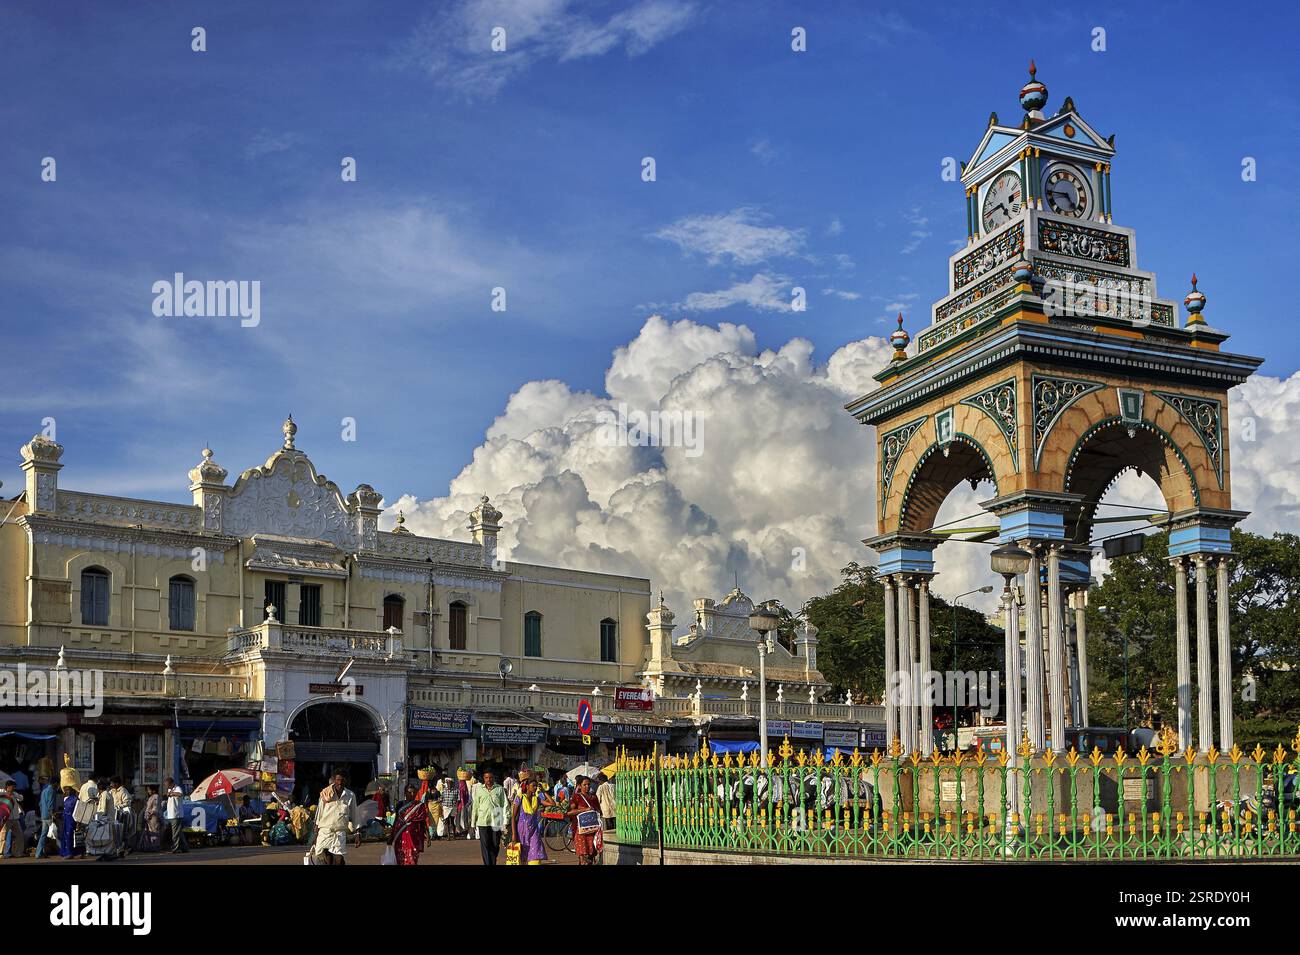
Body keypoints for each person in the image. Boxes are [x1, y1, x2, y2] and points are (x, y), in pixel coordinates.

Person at [311, 772, 359, 865]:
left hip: (340, 833)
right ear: (334, 781)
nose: (340, 782)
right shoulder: (326, 793)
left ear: (346, 781)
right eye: (338, 780)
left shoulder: (350, 795)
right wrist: (315, 834)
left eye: (342, 780)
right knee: (327, 860)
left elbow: (354, 815)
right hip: (325, 832)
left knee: (339, 860)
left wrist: (357, 833)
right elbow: (319, 814)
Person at [509, 771, 552, 865]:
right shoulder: (519, 798)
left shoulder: (537, 799)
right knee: (523, 858)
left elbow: (552, 803)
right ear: (527, 786)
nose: (535, 787)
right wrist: (513, 834)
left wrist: (544, 792)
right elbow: (513, 817)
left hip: (534, 831)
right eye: (533, 785)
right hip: (521, 831)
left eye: (536, 786)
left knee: (535, 857)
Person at [470, 770, 508, 865]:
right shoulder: (479, 790)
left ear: (493, 778)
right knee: (485, 845)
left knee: (495, 844)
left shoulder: (499, 789)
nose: (489, 780)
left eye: (490, 777)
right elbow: (475, 806)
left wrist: (506, 820)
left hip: (497, 820)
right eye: (486, 778)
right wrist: (473, 822)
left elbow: (505, 805)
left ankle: (493, 861)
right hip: (483, 821)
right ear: (484, 779)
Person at [388, 783, 427, 866]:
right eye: (409, 792)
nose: (412, 794)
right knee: (400, 857)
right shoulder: (400, 804)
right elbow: (396, 820)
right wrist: (391, 836)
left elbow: (423, 821)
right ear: (405, 793)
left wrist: (428, 835)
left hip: (413, 836)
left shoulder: (419, 805)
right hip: (400, 835)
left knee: (412, 857)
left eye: (413, 792)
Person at [567, 776, 601, 865]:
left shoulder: (594, 797)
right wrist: (585, 810)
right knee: (583, 858)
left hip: (592, 831)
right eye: (584, 785)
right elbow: (569, 812)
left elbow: (599, 811)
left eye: (588, 785)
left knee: (591, 857)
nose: (587, 787)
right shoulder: (576, 797)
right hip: (580, 832)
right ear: (579, 786)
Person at [163, 777, 188, 854]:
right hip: (171, 814)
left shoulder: (177, 788)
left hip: (176, 814)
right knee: (179, 832)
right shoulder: (169, 789)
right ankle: (185, 848)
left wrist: (171, 794)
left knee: (175, 833)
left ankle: (175, 848)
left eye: (167, 785)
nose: (166, 787)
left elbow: (180, 794)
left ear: (171, 784)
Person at [0, 779, 23, 857]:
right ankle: (0, 853)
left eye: (14, 787)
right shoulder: (3, 792)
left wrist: (14, 794)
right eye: (12, 787)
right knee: (3, 836)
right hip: (6, 819)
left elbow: (21, 798)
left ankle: (17, 853)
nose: (14, 788)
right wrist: (5, 793)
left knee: (19, 836)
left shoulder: (14, 794)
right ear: (8, 787)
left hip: (15, 818)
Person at [58, 785, 82, 858]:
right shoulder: (66, 799)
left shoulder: (76, 799)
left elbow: (79, 811)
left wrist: (78, 822)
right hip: (66, 819)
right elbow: (65, 809)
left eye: (68, 790)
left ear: (72, 790)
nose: (66, 791)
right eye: (65, 790)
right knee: (66, 836)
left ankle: (73, 853)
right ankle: (67, 852)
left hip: (73, 820)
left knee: (72, 836)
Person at [35, 775, 55, 859]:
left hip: (43, 815)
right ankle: (64, 851)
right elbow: (50, 804)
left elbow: (40, 804)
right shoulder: (51, 790)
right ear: (55, 783)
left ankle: (39, 853)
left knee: (44, 835)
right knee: (57, 833)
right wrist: (52, 814)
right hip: (49, 815)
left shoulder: (44, 790)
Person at [142, 784, 162, 851]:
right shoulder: (151, 797)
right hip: (150, 817)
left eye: (149, 790)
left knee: (154, 832)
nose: (148, 791)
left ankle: (155, 847)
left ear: (153, 790)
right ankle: (150, 847)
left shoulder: (156, 796)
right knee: (150, 832)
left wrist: (150, 814)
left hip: (153, 817)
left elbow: (155, 808)